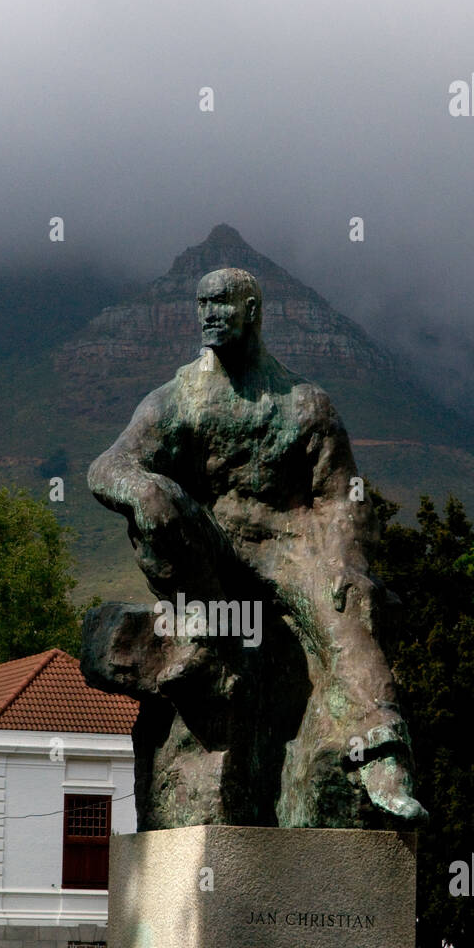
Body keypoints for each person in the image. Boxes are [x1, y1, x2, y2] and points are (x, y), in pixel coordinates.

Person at [87, 267, 426, 828]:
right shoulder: (178, 399)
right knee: (160, 499)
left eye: (223, 302)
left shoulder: (306, 404)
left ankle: (382, 756)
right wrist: (143, 489)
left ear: (253, 310)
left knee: (349, 603)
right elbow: (107, 467)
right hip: (208, 554)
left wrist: (344, 559)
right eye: (202, 303)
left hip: (291, 550)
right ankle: (208, 642)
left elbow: (343, 497)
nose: (210, 314)